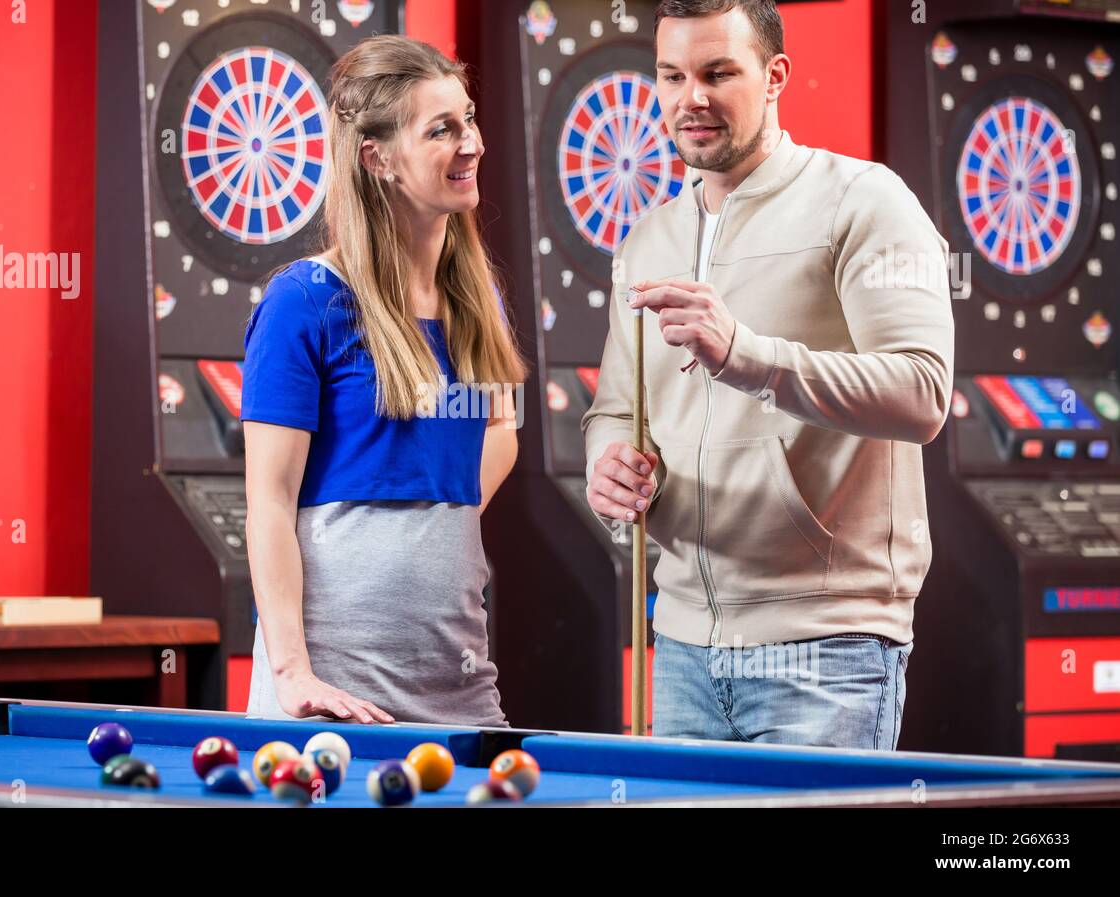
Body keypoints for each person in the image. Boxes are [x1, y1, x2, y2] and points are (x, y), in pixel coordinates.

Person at [582, 0, 955, 748]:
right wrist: (608, 467)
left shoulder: (863, 200)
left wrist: (747, 355)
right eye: (672, 75)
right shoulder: (648, 237)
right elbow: (617, 409)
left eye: (719, 72)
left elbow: (922, 392)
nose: (692, 98)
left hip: (829, 649)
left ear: (775, 75)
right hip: (681, 646)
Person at [240, 35, 526, 726]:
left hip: (460, 686)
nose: (471, 143)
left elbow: (502, 431)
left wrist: (427, 533)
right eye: (442, 129)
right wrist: (292, 672)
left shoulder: (477, 295)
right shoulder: (302, 300)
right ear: (378, 158)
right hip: (332, 694)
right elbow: (268, 504)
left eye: (469, 119)